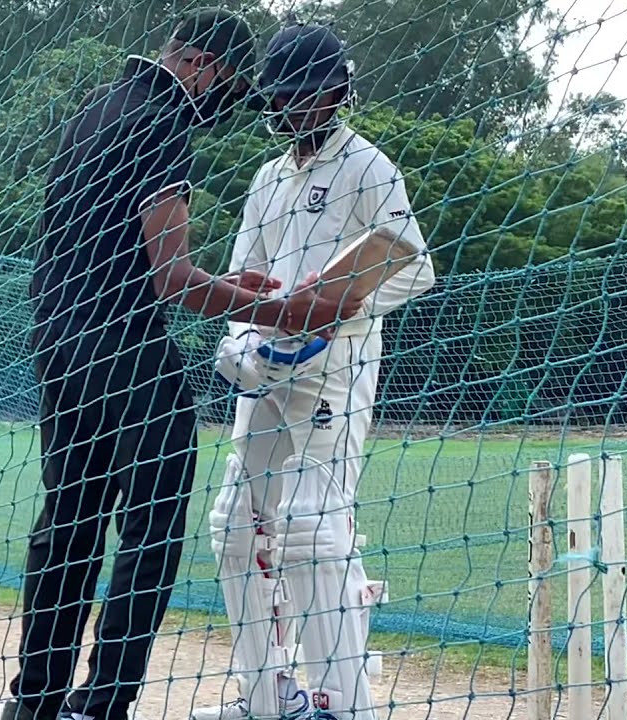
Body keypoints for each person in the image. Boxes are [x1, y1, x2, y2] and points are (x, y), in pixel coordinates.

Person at [0, 10, 363, 720]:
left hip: (57, 338)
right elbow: (172, 277)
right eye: (227, 86)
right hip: (125, 340)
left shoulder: (97, 109)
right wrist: (277, 310)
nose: (225, 106)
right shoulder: (162, 121)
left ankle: (34, 703)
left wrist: (236, 292)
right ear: (199, 65)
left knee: (68, 522)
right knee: (154, 523)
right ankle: (103, 702)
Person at [191, 23, 436, 720]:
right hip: (269, 367)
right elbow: (245, 274)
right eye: (284, 95)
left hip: (336, 369)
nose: (293, 108)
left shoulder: (368, 166)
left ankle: (340, 705)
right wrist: (240, 340)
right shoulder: (268, 178)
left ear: (335, 90)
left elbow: (414, 266)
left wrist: (339, 307)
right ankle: (270, 701)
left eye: (305, 93)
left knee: (309, 527)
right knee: (235, 525)